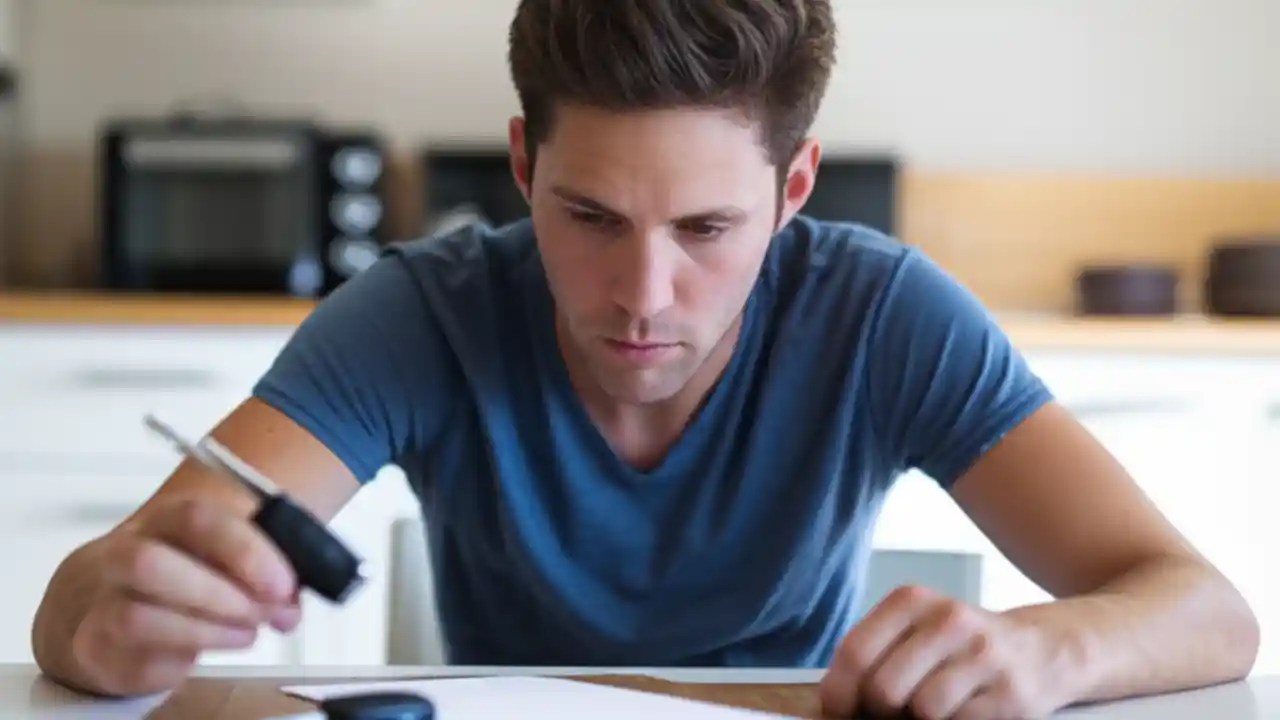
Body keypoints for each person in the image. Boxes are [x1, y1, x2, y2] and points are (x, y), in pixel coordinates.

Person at [32, 1, 1258, 717]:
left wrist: (1047, 648)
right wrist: (110, 621)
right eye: (589, 218)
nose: (641, 297)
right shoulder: (416, 315)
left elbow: (1206, 611)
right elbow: (72, 612)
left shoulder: (882, 314)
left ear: (793, 187)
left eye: (708, 229)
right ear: (523, 165)